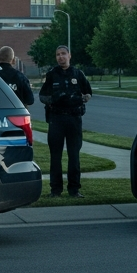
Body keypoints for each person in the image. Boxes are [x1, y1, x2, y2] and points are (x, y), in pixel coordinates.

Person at [39, 45, 92, 198]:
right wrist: (54, 100)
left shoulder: (78, 74)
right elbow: (42, 96)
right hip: (56, 119)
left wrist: (81, 99)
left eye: (63, 54)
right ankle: (55, 190)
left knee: (74, 155)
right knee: (55, 156)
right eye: (58, 55)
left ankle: (74, 190)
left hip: (74, 119)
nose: (60, 57)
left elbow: (88, 93)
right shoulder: (52, 75)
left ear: (70, 55)